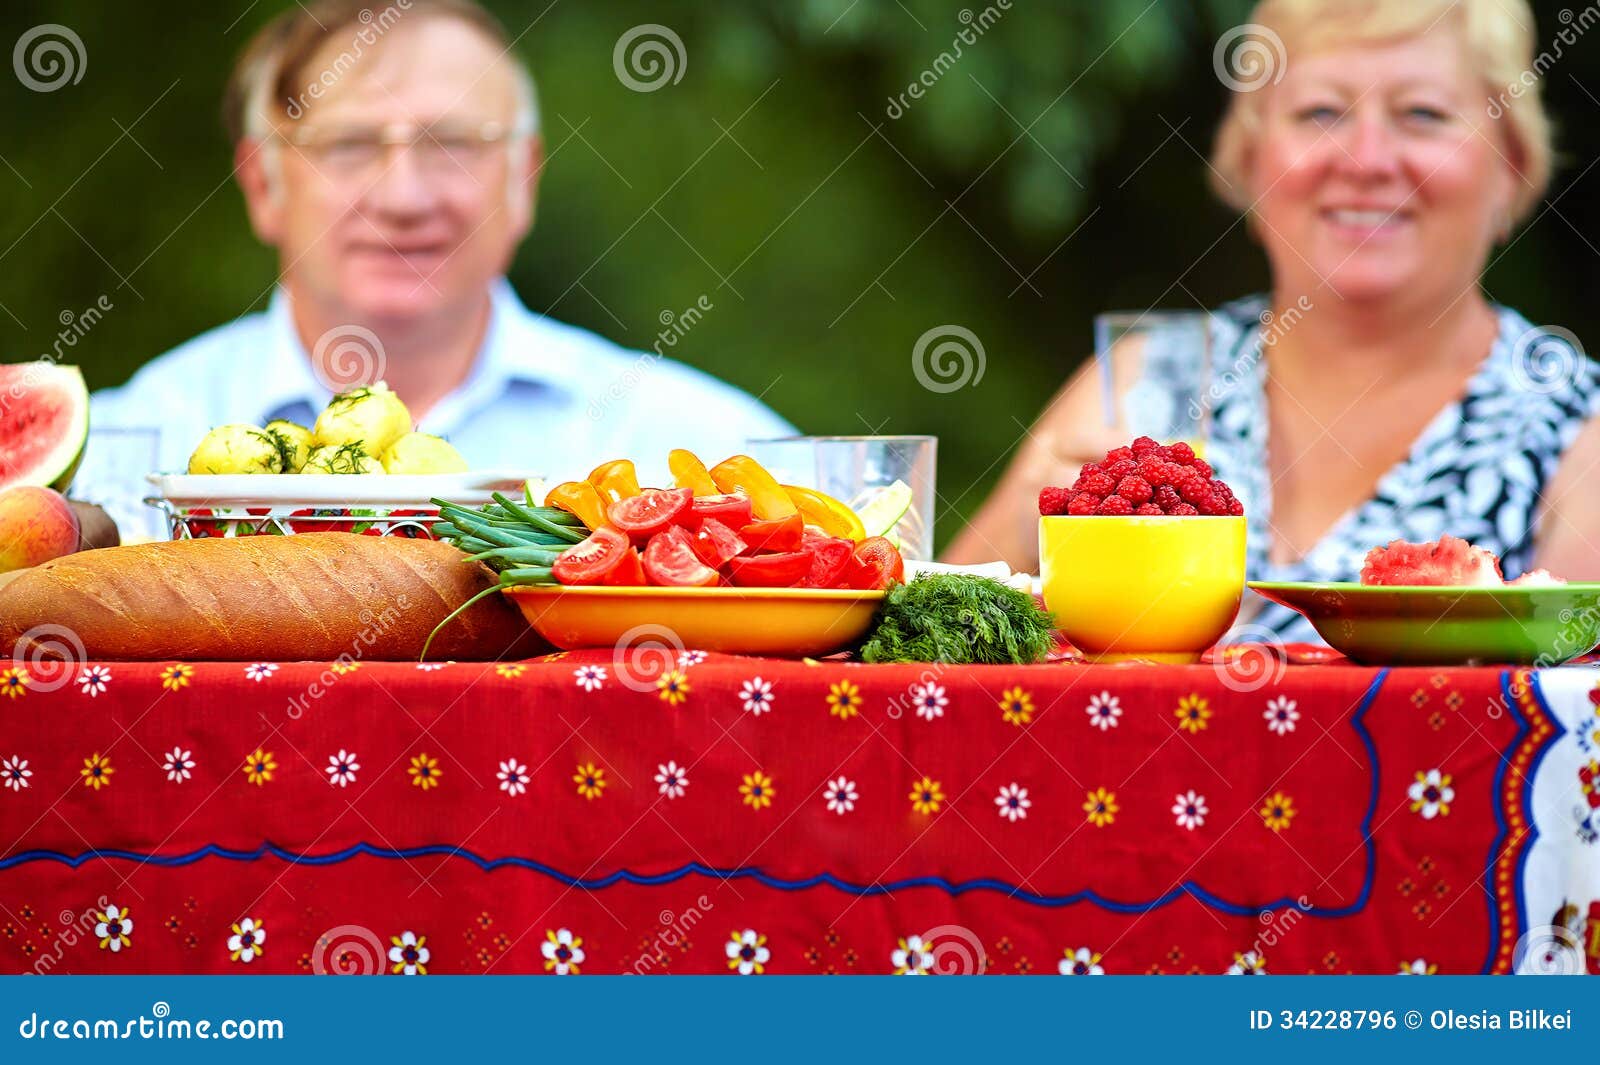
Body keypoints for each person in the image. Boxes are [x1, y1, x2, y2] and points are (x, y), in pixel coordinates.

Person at [947, 0, 1600, 642]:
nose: (1366, 159)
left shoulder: (1578, 434)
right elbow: (909, 684)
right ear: (1250, 162)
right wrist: (1020, 541)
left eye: (1422, 114)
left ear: (1511, 167)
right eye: (1320, 113)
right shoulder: (1144, 382)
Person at [89, 0, 794, 483]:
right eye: (349, 145)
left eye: (453, 143)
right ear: (263, 185)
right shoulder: (114, 460)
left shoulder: (712, 450)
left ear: (523, 178)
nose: (404, 197)